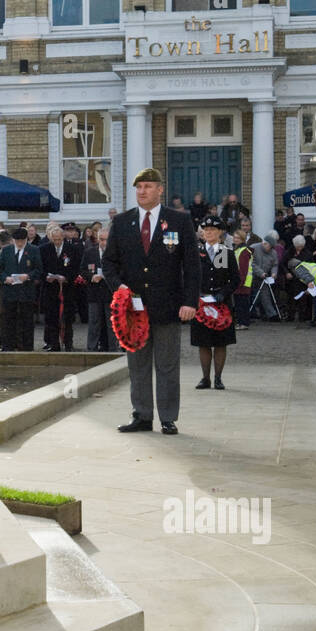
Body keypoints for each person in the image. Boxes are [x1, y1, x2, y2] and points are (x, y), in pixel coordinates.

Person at [102, 168, 199, 436]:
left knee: (167, 365)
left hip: (168, 306)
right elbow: (109, 262)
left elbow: (191, 265)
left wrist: (190, 301)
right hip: (134, 310)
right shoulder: (122, 222)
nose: (141, 191)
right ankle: (142, 415)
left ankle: (168, 417)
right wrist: (120, 288)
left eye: (147, 186)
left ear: (160, 190)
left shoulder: (179, 221)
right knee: (138, 365)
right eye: (138, 187)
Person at [191, 217, 239, 389]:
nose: (208, 232)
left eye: (212, 229)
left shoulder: (226, 253)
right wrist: (195, 295)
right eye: (206, 230)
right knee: (203, 342)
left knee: (220, 342)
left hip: (221, 304)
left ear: (220, 232)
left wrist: (223, 293)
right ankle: (205, 378)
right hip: (201, 303)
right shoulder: (196, 253)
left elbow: (235, 279)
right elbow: (190, 277)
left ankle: (218, 377)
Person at [0, 227, 41, 352]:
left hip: (26, 291)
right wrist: (5, 278)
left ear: (26, 240)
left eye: (22, 241)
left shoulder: (34, 250)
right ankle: (8, 346)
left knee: (27, 321)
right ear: (13, 240)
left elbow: (39, 270)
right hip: (10, 292)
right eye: (17, 241)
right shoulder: (6, 251)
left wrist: (28, 276)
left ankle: (27, 347)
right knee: (8, 320)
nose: (19, 244)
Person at [38, 224, 78, 352]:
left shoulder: (71, 249)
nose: (57, 242)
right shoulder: (44, 249)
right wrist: (47, 277)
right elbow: (40, 268)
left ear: (63, 237)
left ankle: (68, 343)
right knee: (51, 318)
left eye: (59, 239)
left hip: (67, 290)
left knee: (67, 318)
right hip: (50, 290)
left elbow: (75, 268)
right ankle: (54, 344)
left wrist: (66, 278)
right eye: (54, 239)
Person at [83, 227, 114, 351]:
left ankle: (113, 349)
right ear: (97, 239)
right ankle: (92, 349)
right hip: (94, 293)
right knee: (94, 323)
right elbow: (82, 270)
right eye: (101, 239)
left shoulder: (115, 253)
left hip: (110, 293)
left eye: (106, 240)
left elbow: (122, 271)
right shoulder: (90, 252)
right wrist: (91, 276)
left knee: (111, 324)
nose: (104, 243)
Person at [250, 232, 281, 321]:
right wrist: (260, 273)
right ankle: (250, 312)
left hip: (265, 277)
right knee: (250, 295)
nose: (269, 249)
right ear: (265, 243)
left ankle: (272, 315)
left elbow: (275, 265)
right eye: (269, 246)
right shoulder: (254, 248)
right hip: (252, 276)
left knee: (265, 295)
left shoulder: (273, 252)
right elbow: (252, 263)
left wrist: (274, 273)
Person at [231, 228, 253, 330]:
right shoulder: (239, 250)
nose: (235, 239)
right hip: (241, 281)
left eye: (237, 238)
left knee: (242, 304)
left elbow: (243, 269)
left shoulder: (243, 251)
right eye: (234, 237)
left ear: (242, 239)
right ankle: (242, 323)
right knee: (240, 303)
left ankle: (243, 323)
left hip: (242, 282)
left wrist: (240, 282)